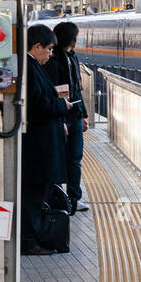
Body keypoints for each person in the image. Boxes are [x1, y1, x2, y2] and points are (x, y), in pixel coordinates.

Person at [21, 25, 70, 255]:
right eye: (48, 49)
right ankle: (29, 241)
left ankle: (32, 237)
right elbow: (37, 104)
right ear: (37, 46)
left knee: (36, 193)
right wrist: (62, 105)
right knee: (33, 193)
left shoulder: (32, 66)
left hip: (40, 144)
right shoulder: (30, 69)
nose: (50, 55)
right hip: (38, 146)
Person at [44, 21, 88, 213]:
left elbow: (77, 88)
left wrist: (84, 114)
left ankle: (73, 197)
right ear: (71, 38)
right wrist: (61, 119)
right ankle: (59, 198)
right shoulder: (54, 62)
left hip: (75, 114)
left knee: (75, 158)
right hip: (63, 115)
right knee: (61, 158)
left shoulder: (72, 58)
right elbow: (59, 91)